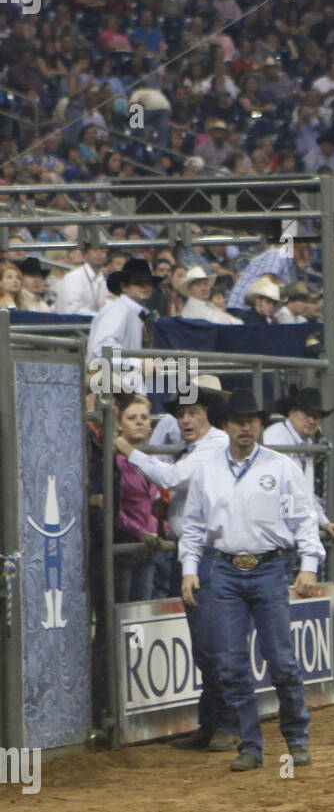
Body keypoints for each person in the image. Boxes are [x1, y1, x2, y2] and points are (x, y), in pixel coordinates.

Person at [180, 390, 325, 771]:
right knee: (230, 663)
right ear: (226, 425)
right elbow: (193, 525)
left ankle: (296, 736)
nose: (246, 427)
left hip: (268, 567)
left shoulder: (281, 468)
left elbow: (303, 519)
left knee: (281, 661)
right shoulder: (208, 469)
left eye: (253, 420)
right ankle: (252, 743)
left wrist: (308, 564)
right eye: (239, 421)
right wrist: (189, 568)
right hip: (224, 568)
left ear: (260, 424)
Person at [114, 374, 239, 751]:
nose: (185, 420)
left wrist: (128, 450)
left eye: (193, 412)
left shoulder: (211, 446)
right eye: (182, 414)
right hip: (199, 554)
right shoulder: (206, 446)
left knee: (215, 643)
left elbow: (171, 476)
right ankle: (213, 723)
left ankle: (227, 724)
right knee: (208, 644)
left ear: (208, 415)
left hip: (211, 556)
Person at [263, 388, 334, 570]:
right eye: (307, 414)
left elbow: (305, 491)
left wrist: (323, 522)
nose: (312, 420)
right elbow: (278, 491)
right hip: (274, 533)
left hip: (286, 531)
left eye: (316, 416)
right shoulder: (275, 439)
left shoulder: (305, 443)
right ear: (292, 413)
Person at [112, 393, 167, 603]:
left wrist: (162, 530)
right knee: (124, 608)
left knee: (143, 608)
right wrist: (141, 532)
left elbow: (157, 502)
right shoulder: (115, 462)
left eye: (144, 418)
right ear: (120, 423)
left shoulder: (154, 459)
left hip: (150, 548)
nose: (139, 422)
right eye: (132, 418)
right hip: (125, 545)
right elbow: (113, 508)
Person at [85, 259, 161, 394]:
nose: (145, 287)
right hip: (112, 388)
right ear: (124, 286)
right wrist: (138, 364)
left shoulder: (137, 313)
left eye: (148, 282)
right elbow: (102, 349)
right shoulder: (118, 309)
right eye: (138, 283)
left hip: (126, 386)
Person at [56, 243, 110, 316]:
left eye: (103, 251)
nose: (99, 253)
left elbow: (104, 305)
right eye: (95, 250)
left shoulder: (102, 279)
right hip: (72, 325)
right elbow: (71, 310)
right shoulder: (74, 277)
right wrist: (98, 316)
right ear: (85, 255)